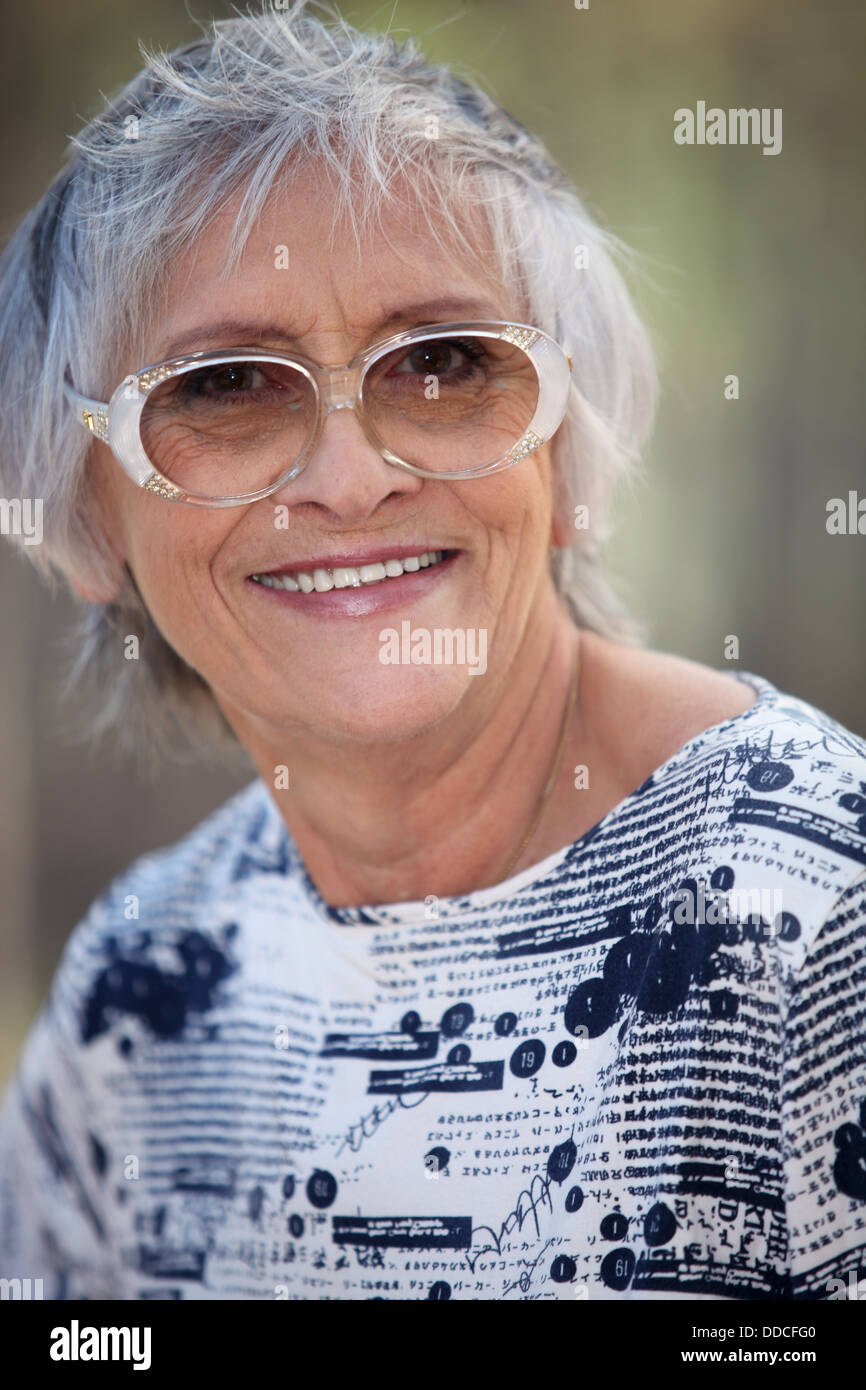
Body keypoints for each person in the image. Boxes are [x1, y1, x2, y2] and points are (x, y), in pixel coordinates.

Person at [0, 3, 864, 1302]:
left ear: (568, 453)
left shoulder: (821, 912)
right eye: (225, 386)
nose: (350, 481)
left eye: (447, 361)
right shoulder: (142, 991)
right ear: (81, 510)